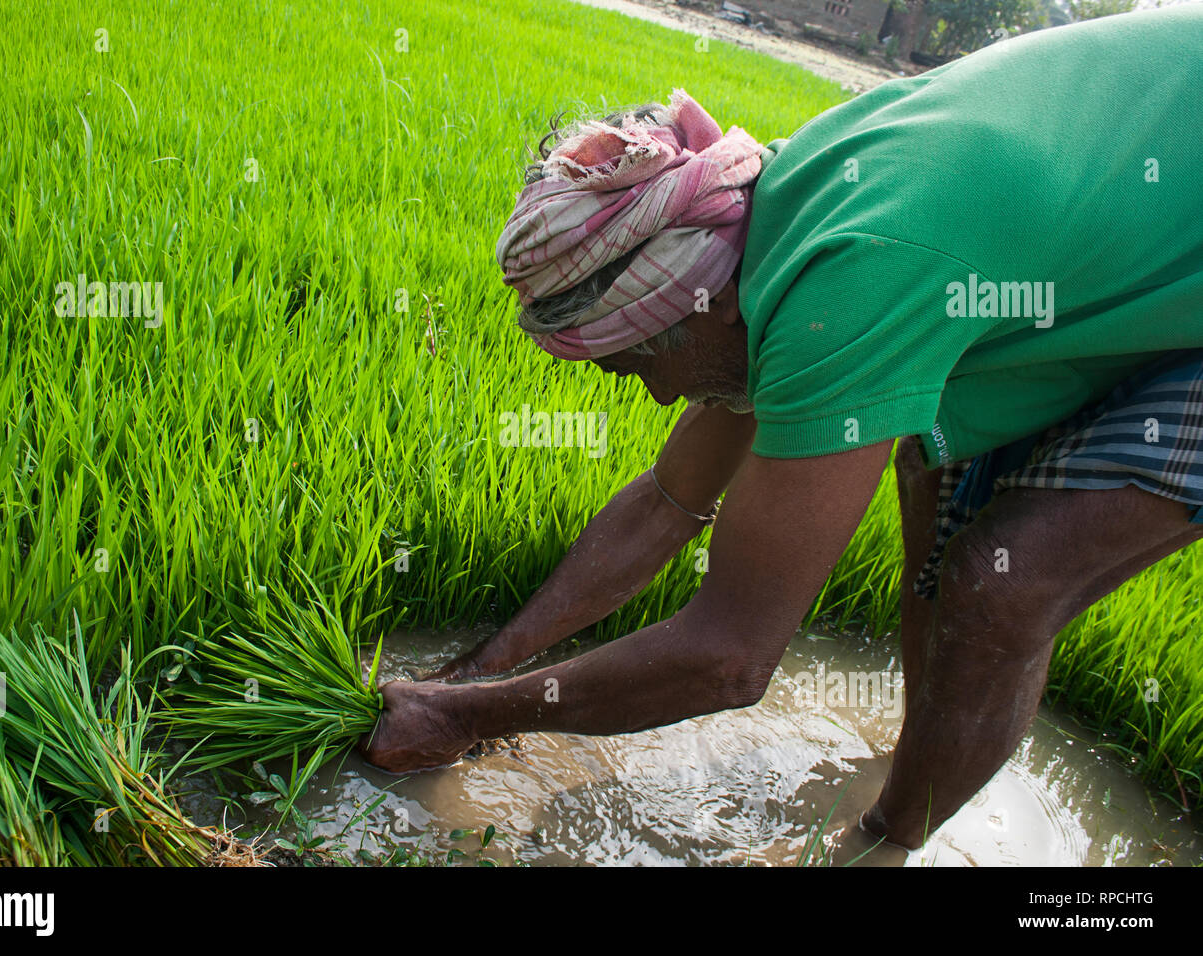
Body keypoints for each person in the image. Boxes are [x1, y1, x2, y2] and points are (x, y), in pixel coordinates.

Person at [360, 5, 1203, 851]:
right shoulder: (770, 225)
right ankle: (920, 765)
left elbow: (730, 658)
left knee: (1000, 587)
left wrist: (465, 718)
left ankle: (884, 840)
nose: (654, 397)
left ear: (700, 305)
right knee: (929, 463)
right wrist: (477, 673)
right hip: (1147, 220)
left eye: (635, 364)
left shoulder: (840, 289)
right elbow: (667, 501)